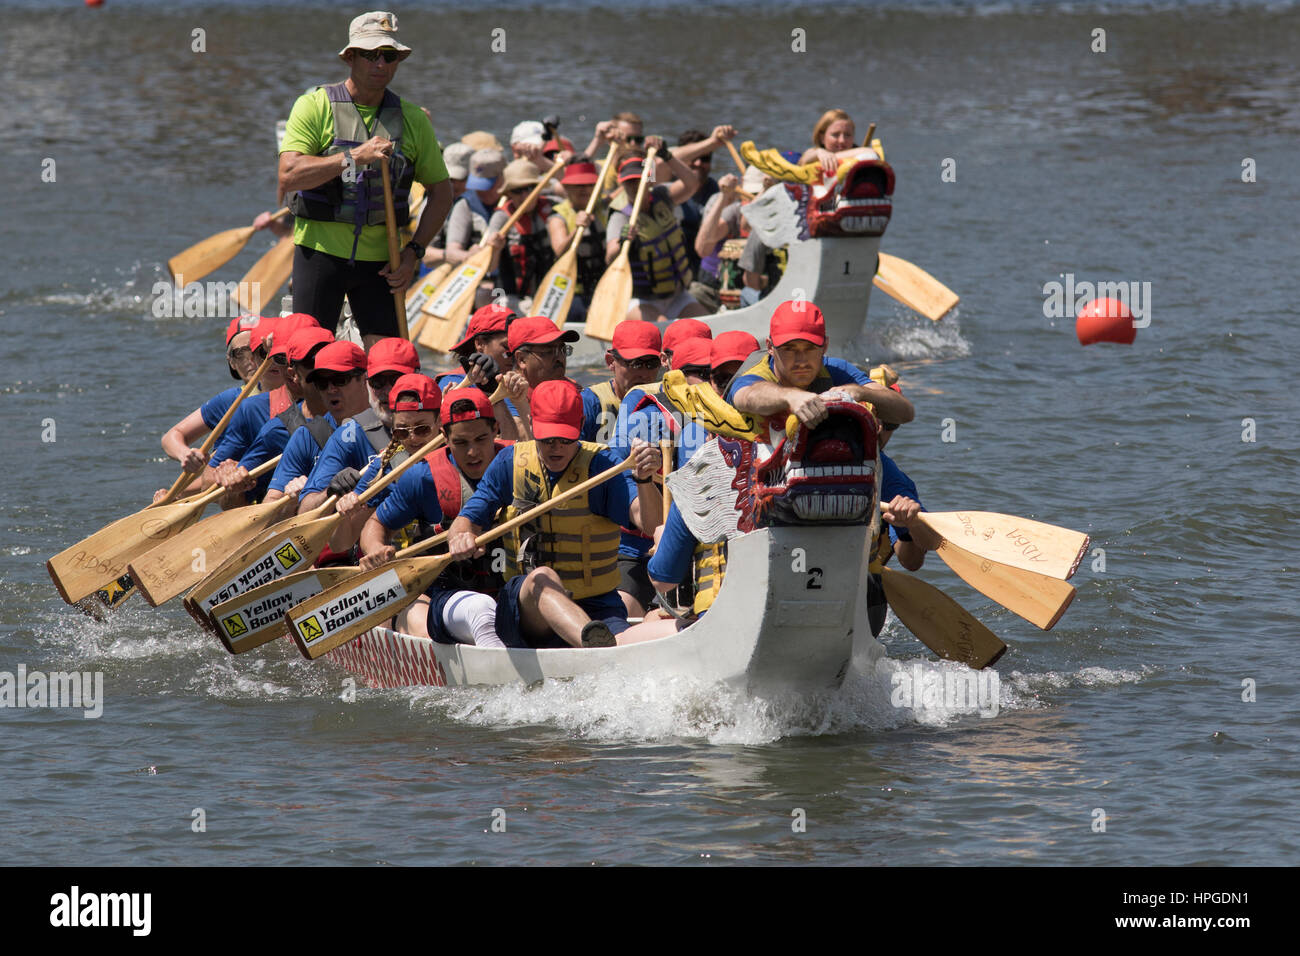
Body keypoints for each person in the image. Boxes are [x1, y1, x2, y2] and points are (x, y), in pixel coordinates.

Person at [278, 11, 453, 347]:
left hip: (383, 263)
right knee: (311, 358)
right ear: (350, 57)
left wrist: (414, 252)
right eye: (370, 55)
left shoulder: (414, 119)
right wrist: (355, 156)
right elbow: (288, 175)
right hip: (319, 255)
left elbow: (441, 194)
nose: (380, 64)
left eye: (388, 56)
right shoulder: (314, 106)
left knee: (392, 364)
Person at [447, 380, 663, 648]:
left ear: (581, 424)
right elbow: (466, 522)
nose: (556, 447)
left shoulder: (604, 466)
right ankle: (594, 648)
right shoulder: (508, 463)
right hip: (527, 613)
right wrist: (460, 537)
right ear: (530, 421)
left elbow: (651, 523)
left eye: (565, 438)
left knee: (629, 639)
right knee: (541, 577)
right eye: (547, 438)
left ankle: (603, 645)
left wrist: (645, 480)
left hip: (597, 604)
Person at [343, 381, 513, 646]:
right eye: (460, 442)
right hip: (444, 594)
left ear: (496, 430)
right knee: (460, 618)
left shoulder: (520, 464)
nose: (472, 452)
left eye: (481, 439)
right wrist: (375, 548)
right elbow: (376, 523)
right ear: (444, 437)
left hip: (510, 591)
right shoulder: (422, 477)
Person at [728, 300, 914, 445]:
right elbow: (748, 396)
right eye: (789, 349)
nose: (801, 360)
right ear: (770, 347)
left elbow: (906, 413)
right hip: (754, 465)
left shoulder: (836, 369)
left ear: (825, 346)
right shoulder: (755, 376)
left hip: (818, 460)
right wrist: (791, 397)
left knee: (904, 490)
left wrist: (862, 392)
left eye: (809, 348)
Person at [297, 336, 420, 514]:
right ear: (367, 382)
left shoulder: (441, 423)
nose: (387, 391)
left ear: (418, 378)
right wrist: (331, 492)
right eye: (377, 382)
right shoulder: (349, 435)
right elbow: (305, 512)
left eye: (395, 381)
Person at [605, 150, 706, 322]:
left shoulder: (662, 196)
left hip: (678, 296)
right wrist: (623, 242)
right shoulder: (620, 216)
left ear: (648, 179)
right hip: (642, 301)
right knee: (663, 329)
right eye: (629, 182)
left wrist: (668, 156)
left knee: (706, 326)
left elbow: (692, 184)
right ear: (622, 183)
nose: (635, 187)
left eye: (639, 180)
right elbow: (610, 257)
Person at [159, 315, 262, 478]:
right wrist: (185, 454)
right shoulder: (229, 401)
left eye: (257, 349)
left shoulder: (294, 391)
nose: (250, 360)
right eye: (241, 353)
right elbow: (171, 437)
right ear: (231, 363)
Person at [484, 159, 555, 310]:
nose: (524, 196)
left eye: (530, 189)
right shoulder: (501, 218)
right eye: (517, 191)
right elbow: (490, 268)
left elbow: (571, 189)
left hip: (547, 292)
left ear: (538, 188)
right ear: (509, 193)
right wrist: (495, 249)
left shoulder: (552, 207)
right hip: (508, 295)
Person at [546, 157, 609, 322]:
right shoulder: (558, 216)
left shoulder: (605, 207)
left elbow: (634, 188)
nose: (585, 190)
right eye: (578, 185)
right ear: (566, 188)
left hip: (605, 286)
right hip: (574, 290)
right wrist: (577, 229)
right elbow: (559, 250)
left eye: (590, 185)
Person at [579, 320, 663, 445]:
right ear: (611, 362)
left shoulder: (668, 401)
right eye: (636, 364)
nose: (644, 374)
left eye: (652, 364)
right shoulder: (590, 402)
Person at [497, 315, 580, 439]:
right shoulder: (505, 396)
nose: (559, 357)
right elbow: (521, 440)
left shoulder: (576, 391)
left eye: (562, 349)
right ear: (521, 359)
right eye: (548, 352)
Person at [419, 141, 471, 273]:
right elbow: (422, 251)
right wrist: (449, 255)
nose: (455, 185)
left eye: (461, 179)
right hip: (434, 275)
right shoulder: (430, 202)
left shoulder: (477, 204)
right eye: (450, 179)